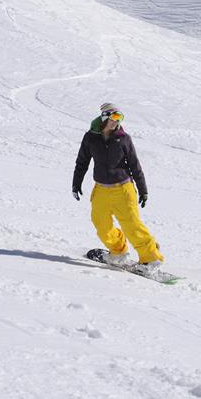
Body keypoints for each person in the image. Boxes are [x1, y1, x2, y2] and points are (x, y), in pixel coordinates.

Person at [71, 104, 163, 274]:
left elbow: (135, 165)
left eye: (120, 118)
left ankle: (151, 259)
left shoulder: (123, 138)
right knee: (102, 226)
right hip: (101, 190)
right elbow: (82, 161)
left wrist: (143, 190)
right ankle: (118, 252)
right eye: (114, 118)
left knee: (132, 226)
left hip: (123, 189)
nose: (117, 122)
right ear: (105, 117)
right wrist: (76, 183)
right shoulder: (91, 138)